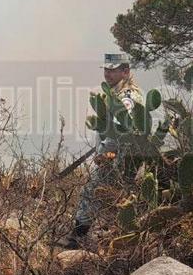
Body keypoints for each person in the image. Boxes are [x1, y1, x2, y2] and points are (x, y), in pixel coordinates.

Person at [57, 53, 142, 249]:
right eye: (106, 70)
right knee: (113, 197)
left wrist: (104, 153)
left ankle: (76, 239)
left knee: (92, 191)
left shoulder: (127, 97)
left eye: (113, 70)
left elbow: (121, 131)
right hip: (116, 155)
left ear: (125, 72)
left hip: (117, 156)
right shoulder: (116, 94)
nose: (107, 74)